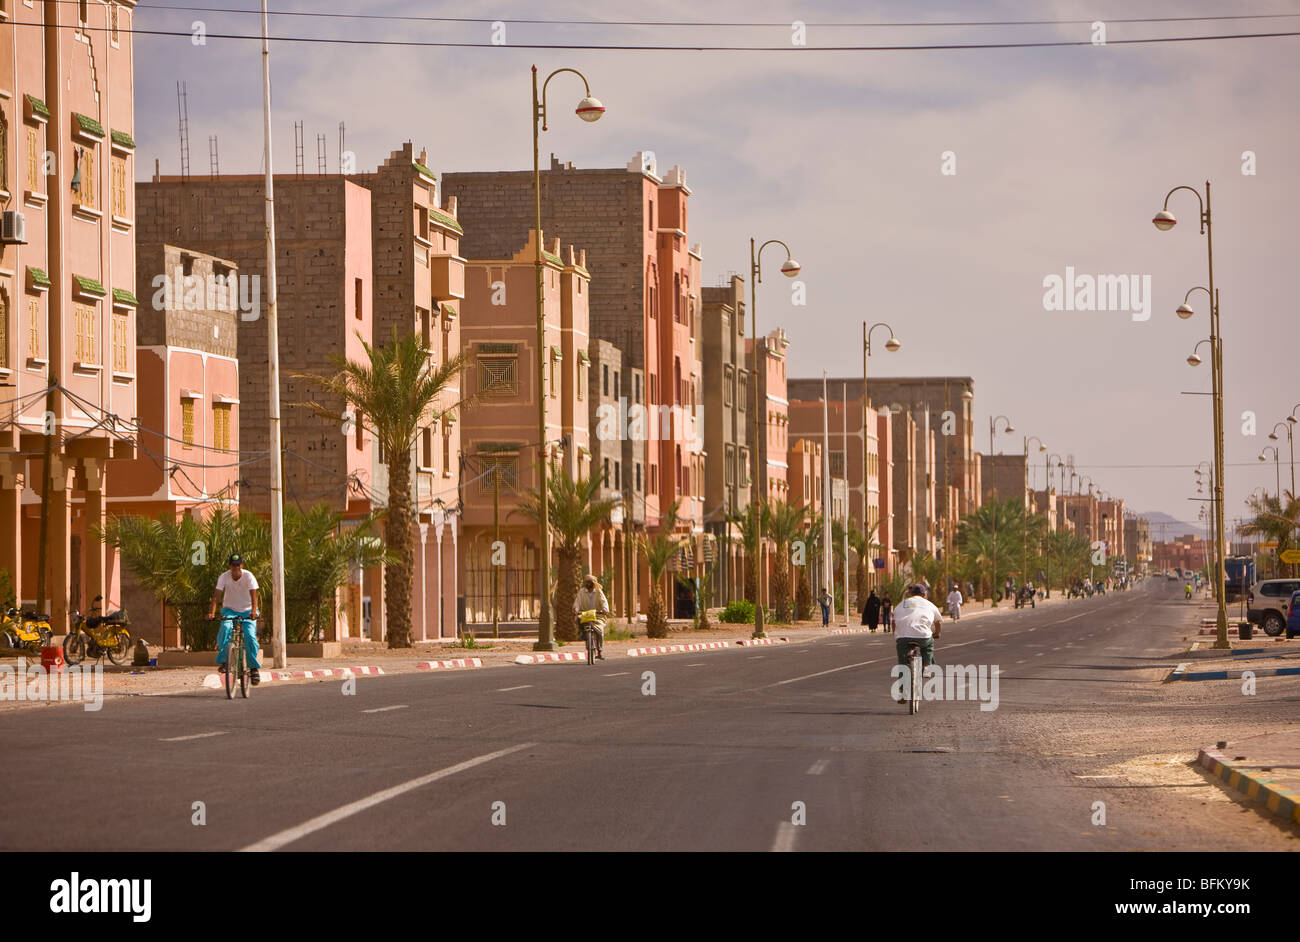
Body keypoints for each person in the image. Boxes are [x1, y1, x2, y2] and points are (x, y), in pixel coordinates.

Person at [207, 553, 261, 685]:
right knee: (225, 628)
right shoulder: (224, 577)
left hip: (248, 611)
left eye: (238, 565)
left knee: (250, 636)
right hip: (229, 610)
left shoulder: (249, 576)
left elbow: (254, 596)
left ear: (242, 565)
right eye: (233, 565)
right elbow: (216, 596)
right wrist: (211, 613)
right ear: (230, 566)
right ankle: (224, 661)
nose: (236, 567)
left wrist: (253, 612)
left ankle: (253, 668)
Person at [893, 584, 943, 702]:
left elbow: (894, 621)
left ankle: (902, 690)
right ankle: (926, 666)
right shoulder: (929, 604)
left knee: (902, 661)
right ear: (924, 594)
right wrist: (937, 634)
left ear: (910, 594)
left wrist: (896, 635)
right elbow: (939, 622)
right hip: (923, 636)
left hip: (903, 637)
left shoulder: (902, 604)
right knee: (928, 646)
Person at [574, 574, 610, 659]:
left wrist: (605, 609)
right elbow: (577, 602)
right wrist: (576, 609)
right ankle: (583, 634)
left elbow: (603, 601)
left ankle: (600, 651)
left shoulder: (598, 591)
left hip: (598, 615)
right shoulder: (582, 592)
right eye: (587, 582)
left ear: (593, 583)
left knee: (600, 631)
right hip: (586, 614)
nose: (588, 584)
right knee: (579, 620)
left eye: (590, 582)